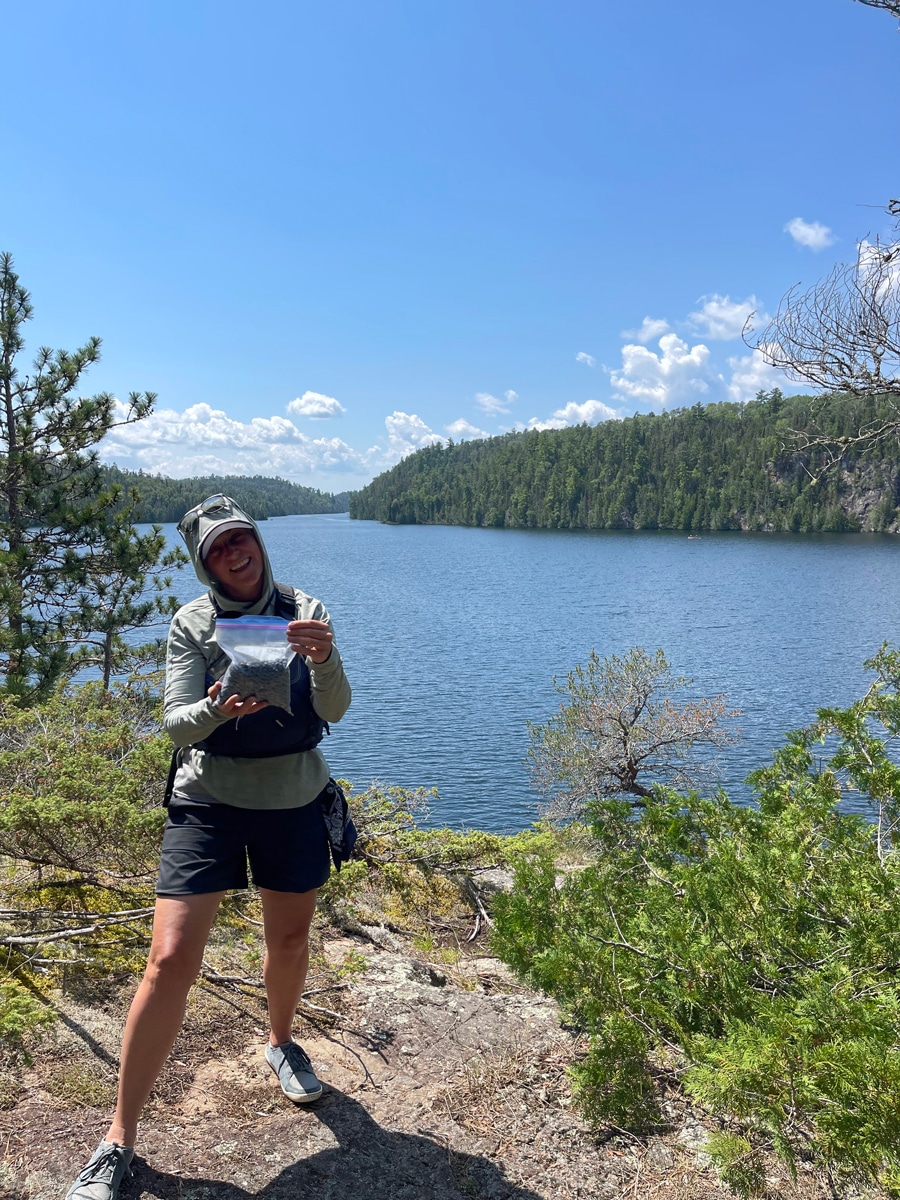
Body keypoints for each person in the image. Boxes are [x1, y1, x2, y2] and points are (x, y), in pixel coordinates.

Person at [66, 495, 351, 1200]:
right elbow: (173, 726)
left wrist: (324, 655)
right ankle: (119, 1138)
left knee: (287, 943)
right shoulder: (192, 623)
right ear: (204, 563)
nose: (233, 553)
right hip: (209, 801)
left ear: (256, 542)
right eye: (217, 548)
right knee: (168, 959)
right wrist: (217, 708)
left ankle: (281, 1044)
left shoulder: (303, 607)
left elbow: (337, 708)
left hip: (292, 797)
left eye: (240, 539)